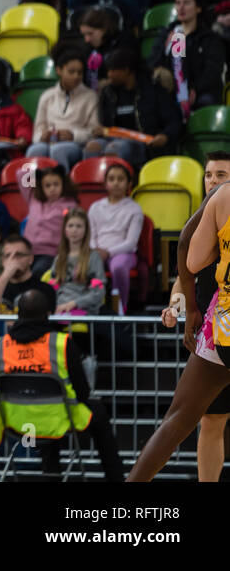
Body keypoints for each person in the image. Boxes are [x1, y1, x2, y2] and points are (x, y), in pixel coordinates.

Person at [0, 289, 125, 481]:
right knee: (95, 412)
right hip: (57, 417)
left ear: (18, 314)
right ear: (48, 314)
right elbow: (82, 393)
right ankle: (116, 478)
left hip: (15, 422)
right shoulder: (61, 343)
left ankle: (52, 475)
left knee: (47, 414)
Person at [158, 152, 230, 480]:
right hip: (213, 337)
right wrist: (175, 306)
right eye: (209, 175)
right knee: (211, 421)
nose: (213, 181)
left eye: (221, 175)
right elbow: (181, 279)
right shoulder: (200, 222)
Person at [84, 46, 181, 169]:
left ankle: (118, 185)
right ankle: (94, 186)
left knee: (115, 148)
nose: (109, 75)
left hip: (145, 144)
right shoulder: (108, 93)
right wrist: (101, 130)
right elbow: (106, 125)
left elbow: (174, 121)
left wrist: (165, 136)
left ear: (126, 70)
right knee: (92, 147)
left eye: (113, 70)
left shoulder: (153, 91)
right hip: (113, 139)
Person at [146, 0, 226, 114]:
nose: (181, 7)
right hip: (171, 90)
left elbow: (213, 71)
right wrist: (166, 50)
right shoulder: (171, 34)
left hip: (200, 91)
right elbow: (153, 63)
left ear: (198, 8)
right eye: (178, 3)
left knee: (205, 102)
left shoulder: (208, 37)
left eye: (186, 3)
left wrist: (194, 89)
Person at [25, 47, 99, 169]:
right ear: (59, 70)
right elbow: (37, 132)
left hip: (76, 144)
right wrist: (42, 136)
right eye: (71, 72)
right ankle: (29, 187)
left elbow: (94, 131)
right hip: (49, 142)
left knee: (59, 150)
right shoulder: (47, 95)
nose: (76, 76)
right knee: (33, 150)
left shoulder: (90, 96)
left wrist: (73, 135)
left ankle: (61, 186)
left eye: (80, 72)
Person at [86, 162, 144, 313]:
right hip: (96, 252)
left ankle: (120, 308)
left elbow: (131, 243)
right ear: (105, 183)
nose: (116, 183)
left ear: (129, 183)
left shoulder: (134, 209)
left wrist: (108, 252)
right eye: (111, 179)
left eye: (120, 179)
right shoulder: (95, 207)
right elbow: (91, 236)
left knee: (118, 267)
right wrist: (95, 251)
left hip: (123, 253)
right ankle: (86, 307)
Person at [43, 208, 107, 315]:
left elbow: (98, 292)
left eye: (79, 226)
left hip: (84, 309)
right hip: (59, 308)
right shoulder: (59, 258)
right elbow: (52, 289)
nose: (74, 230)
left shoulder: (94, 257)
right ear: (65, 230)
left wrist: (74, 303)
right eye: (70, 225)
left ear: (86, 230)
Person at [0, 234, 58, 315]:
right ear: (3, 261)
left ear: (31, 259)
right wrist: (6, 274)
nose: (13, 260)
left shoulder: (45, 289)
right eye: (8, 256)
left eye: (19, 255)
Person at [77, 6, 140, 91]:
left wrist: (108, 82)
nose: (87, 39)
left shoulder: (125, 41)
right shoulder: (87, 47)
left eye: (90, 33)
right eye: (84, 35)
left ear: (104, 28)